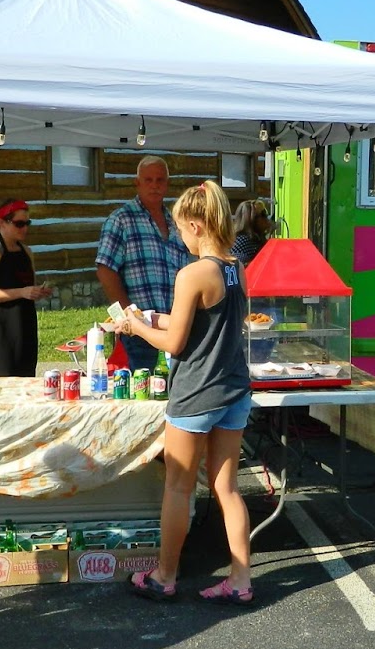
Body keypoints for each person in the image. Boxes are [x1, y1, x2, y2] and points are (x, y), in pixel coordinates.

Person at [117, 181, 255, 606]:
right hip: (234, 389)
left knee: (178, 487)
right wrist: (160, 319)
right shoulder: (236, 266)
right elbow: (204, 326)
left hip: (196, 393)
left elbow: (176, 345)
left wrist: (135, 325)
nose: (179, 236)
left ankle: (164, 576)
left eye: (180, 229)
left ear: (196, 225)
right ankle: (240, 580)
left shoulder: (193, 273)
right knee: (227, 488)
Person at [95, 156, 190, 371]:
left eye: (160, 180)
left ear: (167, 184)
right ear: (137, 183)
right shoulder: (121, 220)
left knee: (173, 392)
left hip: (174, 326)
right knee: (144, 393)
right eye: (148, 180)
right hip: (141, 329)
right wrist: (127, 314)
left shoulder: (176, 222)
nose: (154, 186)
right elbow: (105, 270)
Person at [0, 199, 51, 378]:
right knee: (4, 382)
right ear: (1, 223)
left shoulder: (26, 251)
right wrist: (21, 292)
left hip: (24, 324)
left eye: (27, 223)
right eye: (19, 224)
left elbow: (26, 286)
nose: (25, 229)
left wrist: (38, 291)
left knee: (27, 380)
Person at [230, 199, 274, 266]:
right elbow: (238, 267)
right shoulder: (242, 241)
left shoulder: (258, 239)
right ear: (251, 219)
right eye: (263, 214)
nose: (266, 217)